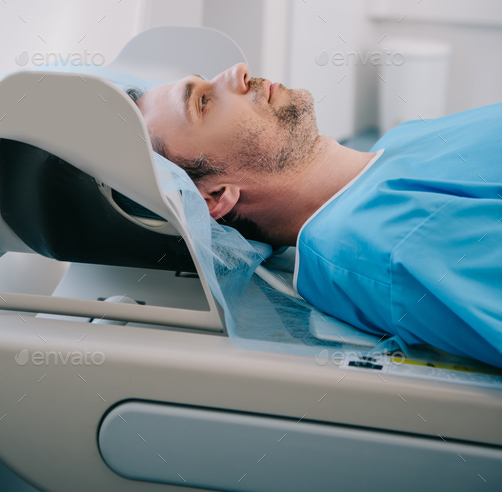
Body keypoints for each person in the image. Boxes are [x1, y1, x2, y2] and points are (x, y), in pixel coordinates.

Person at [134, 64, 502, 369]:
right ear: (215, 195)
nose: (239, 71)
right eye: (203, 103)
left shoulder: (401, 141)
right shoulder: (384, 248)